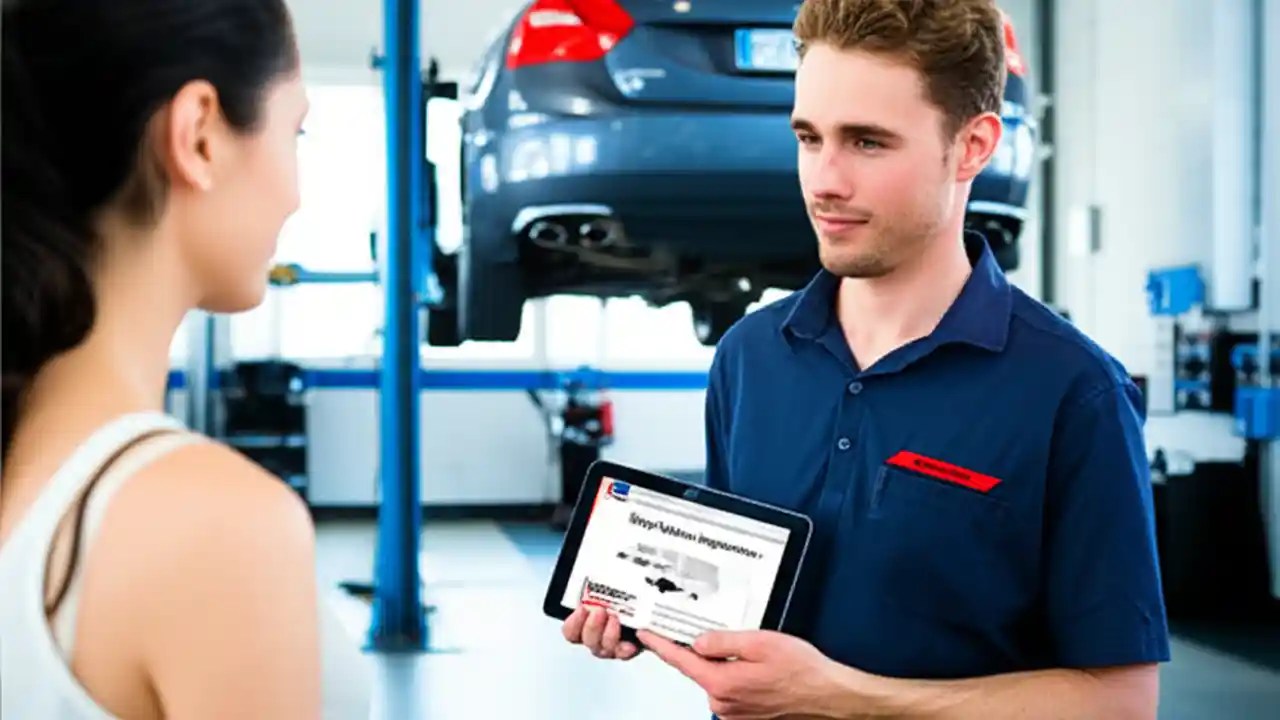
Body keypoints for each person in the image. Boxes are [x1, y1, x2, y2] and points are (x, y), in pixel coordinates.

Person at [563, 0, 1170, 717]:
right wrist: (653, 610)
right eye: (808, 137)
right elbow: (744, 608)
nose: (824, 180)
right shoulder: (749, 359)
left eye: (867, 142)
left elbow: (1121, 702)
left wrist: (837, 696)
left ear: (972, 147)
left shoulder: (1075, 392)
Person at [0, 1, 362, 718]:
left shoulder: (29, 474)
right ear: (198, 135)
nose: (296, 196)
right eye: (296, 132)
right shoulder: (217, 526)